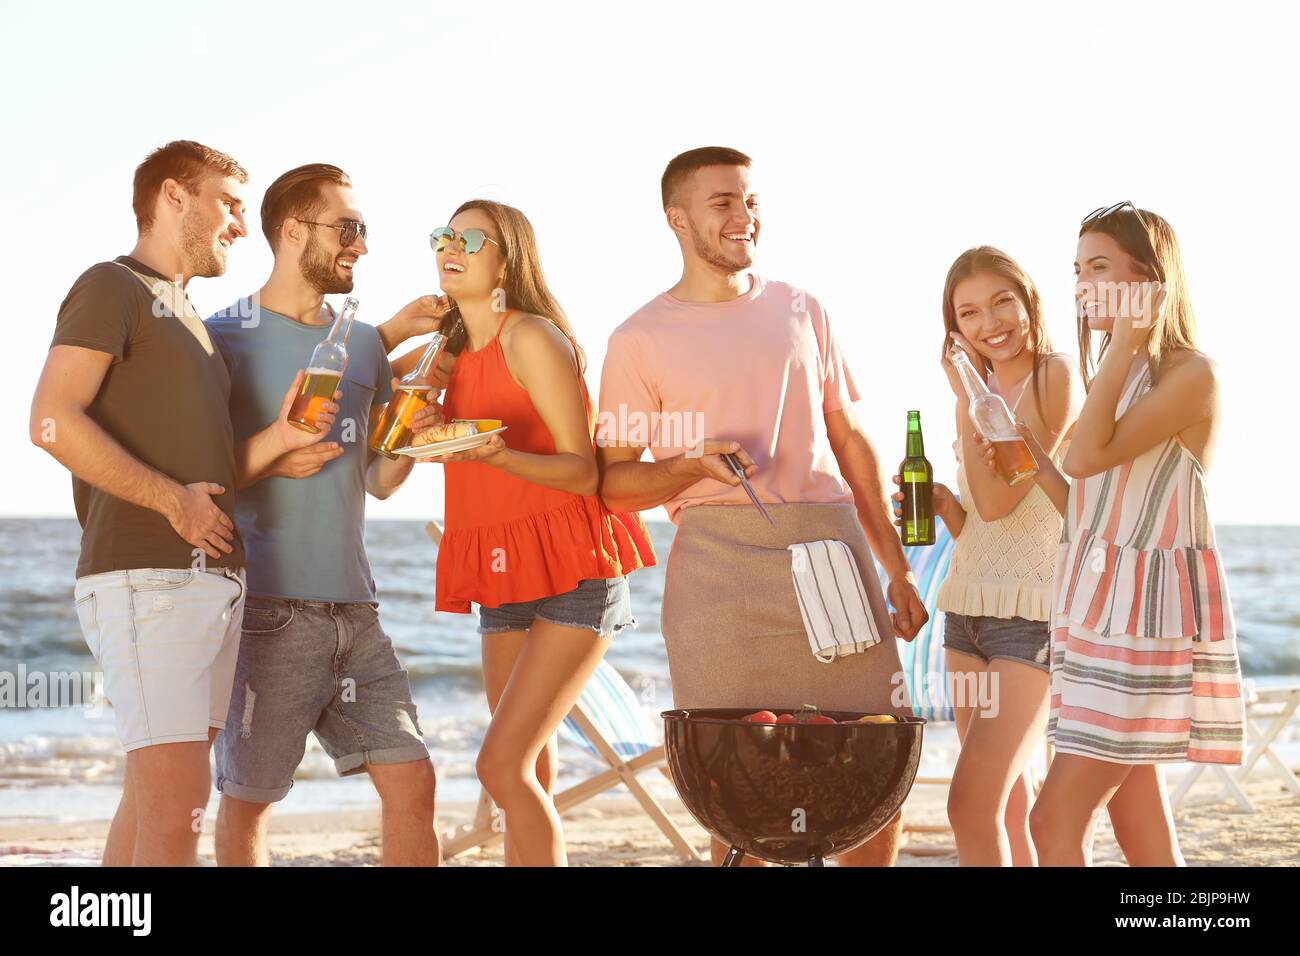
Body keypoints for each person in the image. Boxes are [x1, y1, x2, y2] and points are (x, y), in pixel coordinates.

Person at [597, 146, 928, 867]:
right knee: (732, 776)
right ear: (676, 219)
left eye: (749, 199)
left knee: (875, 753)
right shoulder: (637, 338)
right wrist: (687, 466)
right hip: (716, 573)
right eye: (722, 202)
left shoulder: (802, 308)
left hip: (829, 553)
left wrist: (896, 569)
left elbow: (848, 438)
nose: (743, 215)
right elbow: (614, 485)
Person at [29, 141, 334, 866]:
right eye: (229, 202)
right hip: (149, 578)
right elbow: (50, 420)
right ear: (173, 197)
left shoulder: (191, 321)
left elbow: (213, 472)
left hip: (208, 580)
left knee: (153, 805)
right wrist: (173, 503)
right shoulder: (112, 286)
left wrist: (279, 440)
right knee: (177, 814)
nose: (239, 222)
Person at [206, 163, 443, 866]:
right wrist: (274, 457)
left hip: (357, 611)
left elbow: (377, 479)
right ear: (292, 229)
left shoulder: (367, 344)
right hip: (267, 611)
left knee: (414, 779)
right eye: (348, 228)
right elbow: (200, 478)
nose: (361, 245)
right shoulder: (221, 337)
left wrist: (413, 442)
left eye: (362, 230)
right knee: (250, 800)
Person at [408, 199, 655, 866]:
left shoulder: (530, 337)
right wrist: (410, 419)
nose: (448, 246)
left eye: (469, 237)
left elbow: (583, 474)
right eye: (441, 236)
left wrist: (495, 454)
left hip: (574, 566)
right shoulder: (446, 358)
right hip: (500, 569)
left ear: (505, 259)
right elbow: (382, 477)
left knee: (501, 768)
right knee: (529, 769)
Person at [1025, 203, 1245, 866]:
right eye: (1076, 270)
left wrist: (1122, 343)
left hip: (1142, 621)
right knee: (1136, 815)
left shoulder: (1191, 375)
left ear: (1148, 280)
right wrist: (1027, 457)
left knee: (1052, 821)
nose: (1081, 285)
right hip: (1098, 613)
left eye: (1098, 268)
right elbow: (1089, 508)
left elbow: (1089, 456)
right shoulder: (1121, 378)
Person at [891, 247, 1081, 865]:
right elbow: (981, 516)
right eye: (968, 312)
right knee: (1006, 800)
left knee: (969, 803)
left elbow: (1005, 500)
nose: (989, 321)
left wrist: (965, 391)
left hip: (1030, 616)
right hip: (967, 607)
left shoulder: (1054, 375)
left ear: (1028, 301)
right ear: (954, 326)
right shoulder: (974, 392)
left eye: (1003, 300)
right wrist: (944, 503)